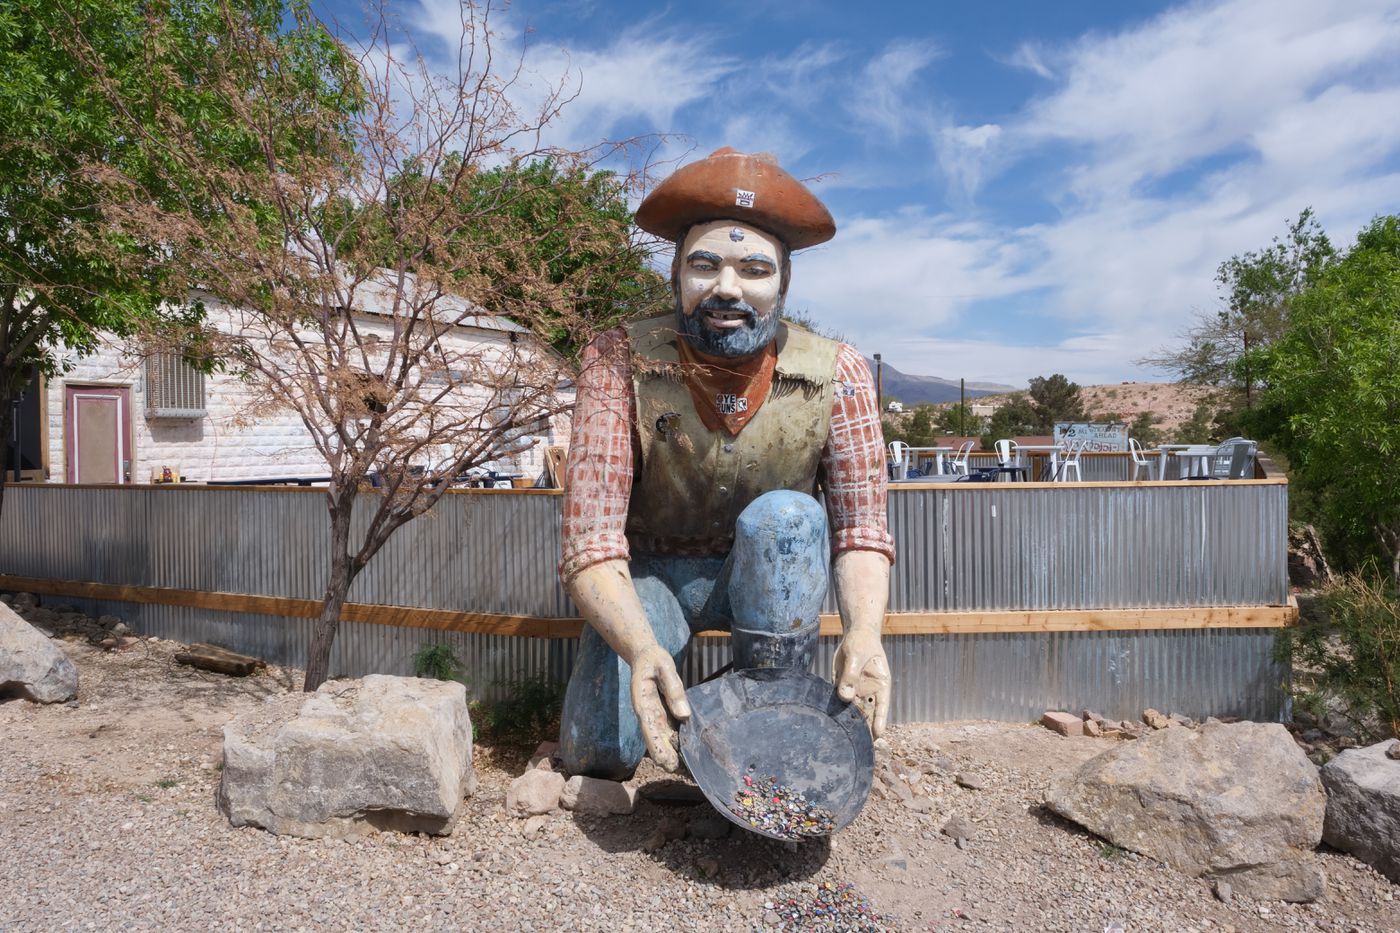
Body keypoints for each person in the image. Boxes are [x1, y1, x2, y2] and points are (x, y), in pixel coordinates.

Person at [558, 147, 895, 780]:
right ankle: (675, 712)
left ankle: (768, 723)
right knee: (601, 750)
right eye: (704, 264)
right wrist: (639, 648)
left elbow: (861, 529)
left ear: (783, 284)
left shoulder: (837, 372)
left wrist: (865, 632)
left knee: (790, 519)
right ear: (676, 275)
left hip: (770, 578)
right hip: (651, 576)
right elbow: (591, 538)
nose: (726, 288)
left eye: (754, 268)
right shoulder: (618, 359)